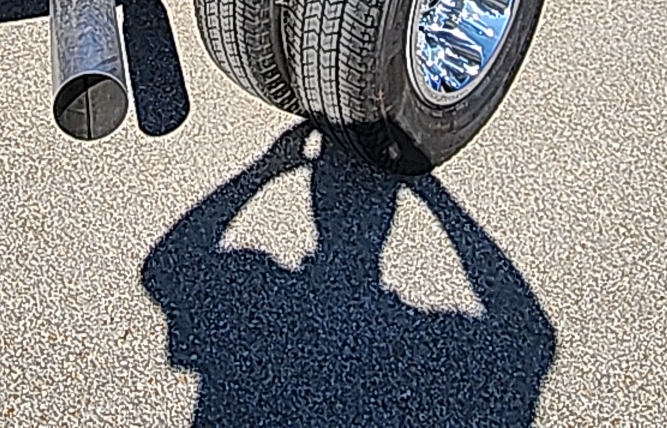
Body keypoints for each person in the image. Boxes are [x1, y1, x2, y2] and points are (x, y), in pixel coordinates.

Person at [143, 124, 556, 427]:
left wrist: (262, 172)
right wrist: (438, 198)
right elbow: (529, 337)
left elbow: (166, 270)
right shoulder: (405, 344)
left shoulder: (257, 319)